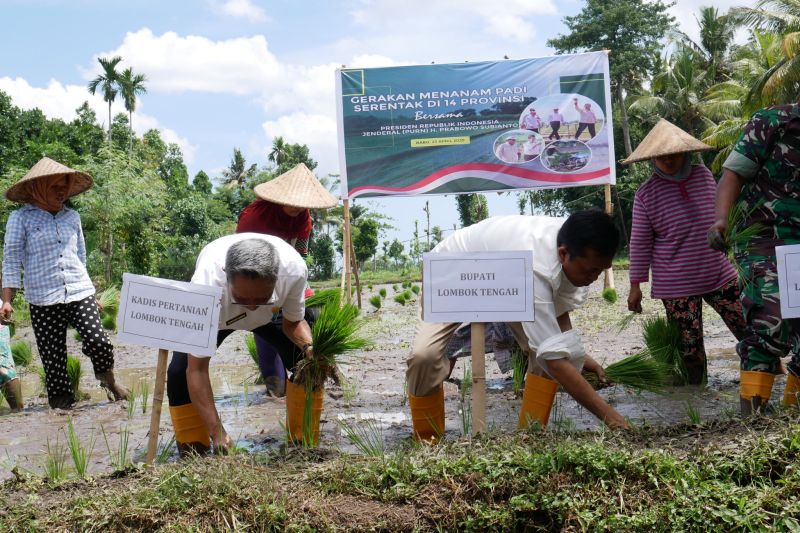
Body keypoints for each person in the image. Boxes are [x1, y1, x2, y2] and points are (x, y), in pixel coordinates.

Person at [406, 210, 629, 442]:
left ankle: (530, 436)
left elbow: (558, 315)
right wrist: (613, 419)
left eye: (601, 269)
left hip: (508, 277)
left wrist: (579, 357)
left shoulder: (576, 243)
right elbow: (554, 359)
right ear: (563, 254)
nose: (595, 277)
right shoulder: (539, 267)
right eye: (591, 270)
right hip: (453, 268)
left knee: (542, 355)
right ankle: (427, 440)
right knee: (424, 356)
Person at [166, 234, 316, 455]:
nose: (252, 307)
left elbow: (293, 323)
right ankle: (194, 448)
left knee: (306, 364)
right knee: (179, 372)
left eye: (261, 298)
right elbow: (196, 370)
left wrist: (310, 349)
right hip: (220, 315)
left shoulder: (293, 271)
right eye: (243, 298)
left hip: (272, 315)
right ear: (226, 277)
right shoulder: (204, 288)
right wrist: (217, 432)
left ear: (276, 278)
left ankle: (303, 442)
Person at [623, 120, 747, 385]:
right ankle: (695, 392)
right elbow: (640, 243)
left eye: (674, 154)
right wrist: (635, 286)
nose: (668, 160)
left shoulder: (703, 176)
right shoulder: (646, 194)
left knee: (748, 327)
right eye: (661, 156)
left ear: (686, 153)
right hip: (677, 284)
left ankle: (771, 373)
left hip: (718, 272)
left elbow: (721, 214)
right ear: (652, 158)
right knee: (689, 348)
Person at [1, 157, 128, 409]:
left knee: (99, 341)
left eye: (64, 186)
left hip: (79, 291)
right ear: (38, 187)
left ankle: (109, 380)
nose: (62, 191)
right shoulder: (21, 219)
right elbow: (12, 259)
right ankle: (62, 414)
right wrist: (6, 300)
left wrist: (91, 294)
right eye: (55, 186)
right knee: (54, 362)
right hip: (42, 298)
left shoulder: (72, 217)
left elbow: (80, 257)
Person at [708, 103, 800, 414]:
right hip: (763, 238)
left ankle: (792, 413)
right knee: (771, 320)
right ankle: (753, 416)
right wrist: (721, 220)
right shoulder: (772, 121)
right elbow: (733, 175)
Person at [236, 163, 337, 397]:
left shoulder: (303, 219)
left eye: (302, 203)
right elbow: (242, 259)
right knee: (266, 323)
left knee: (312, 314)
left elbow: (300, 255)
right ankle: (276, 389)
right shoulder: (254, 218)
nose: (297, 207)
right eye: (292, 201)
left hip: (289, 273)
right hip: (257, 277)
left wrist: (293, 287)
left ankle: (310, 378)